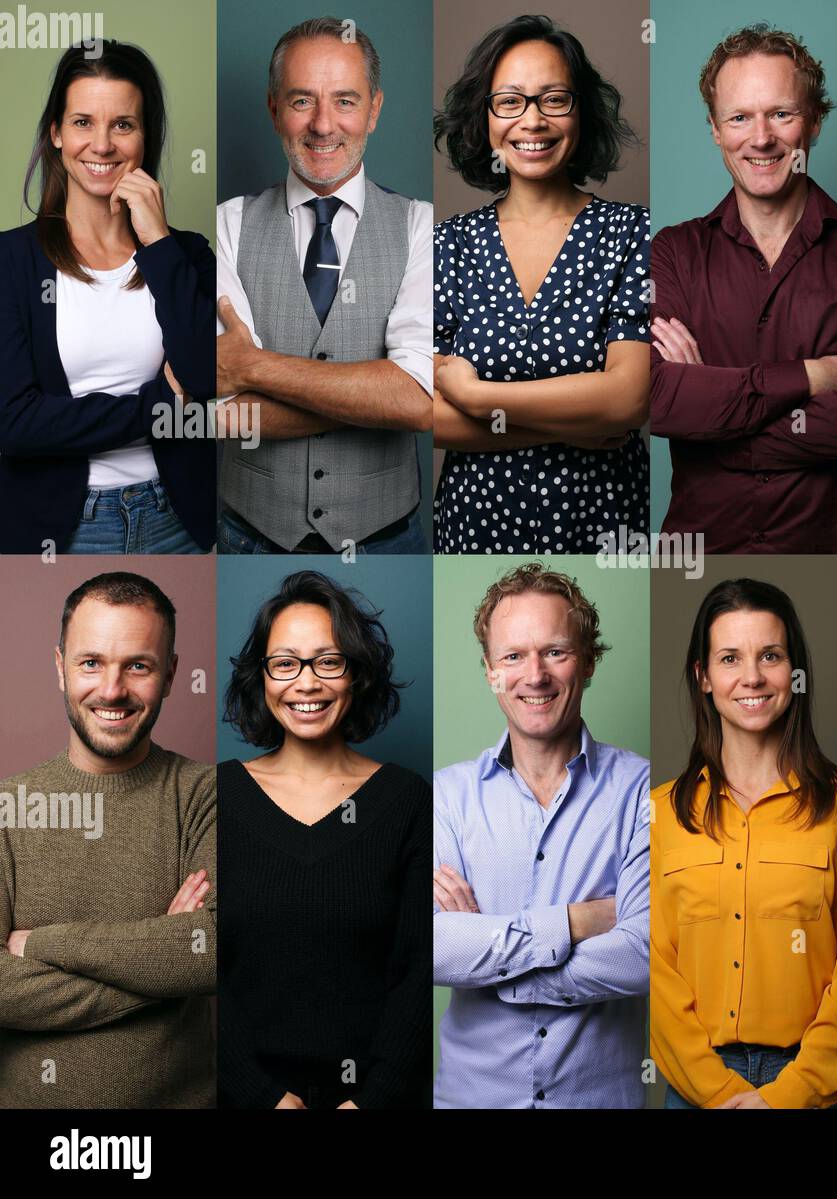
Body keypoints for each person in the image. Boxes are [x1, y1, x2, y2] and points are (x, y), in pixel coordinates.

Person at [432, 15, 650, 553]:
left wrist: (476, 395)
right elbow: (428, 418)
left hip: (605, 527)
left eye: (554, 99)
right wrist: (571, 426)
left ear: (581, 113)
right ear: (483, 119)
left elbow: (628, 398)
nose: (532, 120)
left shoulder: (633, 233)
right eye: (509, 101)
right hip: (474, 531)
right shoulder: (446, 245)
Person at [434, 563, 649, 1107]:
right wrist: (580, 921)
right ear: (489, 670)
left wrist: (491, 959)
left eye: (555, 651)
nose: (535, 675)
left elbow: (645, 953)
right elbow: (431, 948)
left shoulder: (644, 790)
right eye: (513, 656)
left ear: (590, 660)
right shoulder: (444, 797)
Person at [216, 17, 433, 554]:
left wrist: (253, 368)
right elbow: (221, 409)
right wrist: (373, 400)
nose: (322, 124)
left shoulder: (423, 227)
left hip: (388, 540)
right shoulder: (226, 224)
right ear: (273, 110)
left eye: (345, 101)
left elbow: (418, 399)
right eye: (301, 102)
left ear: (374, 110)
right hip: (248, 535)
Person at [0, 573, 215, 1107]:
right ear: (59, 667)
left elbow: (211, 950)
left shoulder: (208, 794)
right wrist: (160, 962)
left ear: (169, 675)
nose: (112, 690)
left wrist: (44, 944)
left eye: (137, 665)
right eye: (90, 662)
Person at [649, 24, 837, 554]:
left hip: (828, 560)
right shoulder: (673, 252)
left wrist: (715, 413)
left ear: (814, 121)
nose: (761, 137)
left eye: (781, 114)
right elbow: (657, 401)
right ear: (715, 130)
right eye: (739, 117)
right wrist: (816, 374)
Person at [217, 571, 430, 1108]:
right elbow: (199, 971)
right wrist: (265, 1097)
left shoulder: (407, 800)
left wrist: (371, 1100)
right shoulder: (218, 796)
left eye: (328, 661)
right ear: (261, 678)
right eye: (285, 663)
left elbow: (417, 970)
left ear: (355, 674)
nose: (306, 683)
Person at [650, 578, 837, 1108]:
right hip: (697, 1088)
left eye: (769, 656)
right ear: (702, 676)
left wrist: (789, 1094)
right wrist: (718, 1092)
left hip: (817, 1085)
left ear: (794, 673)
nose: (751, 677)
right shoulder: (658, 814)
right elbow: (656, 969)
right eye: (729, 658)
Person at [0, 40, 215, 554]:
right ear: (55, 132)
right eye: (82, 123)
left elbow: (208, 380)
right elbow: (15, 424)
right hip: (63, 528)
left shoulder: (185, 254)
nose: (102, 145)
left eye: (123, 124)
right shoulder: (11, 261)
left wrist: (159, 243)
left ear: (146, 137)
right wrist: (159, 405)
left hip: (175, 519)